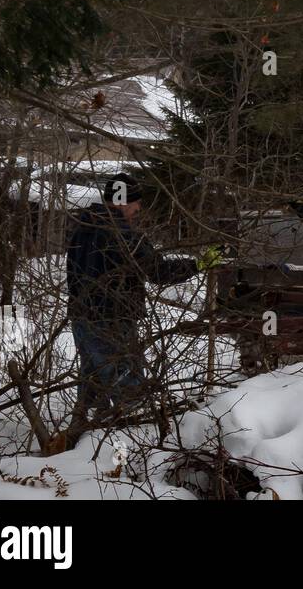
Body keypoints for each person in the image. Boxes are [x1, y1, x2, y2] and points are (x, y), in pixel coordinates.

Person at [65, 172, 202, 420]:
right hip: (111, 320)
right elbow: (158, 271)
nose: (139, 208)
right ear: (121, 200)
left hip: (81, 317)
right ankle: (131, 439)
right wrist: (199, 265)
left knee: (93, 381)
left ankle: (83, 433)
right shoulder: (123, 235)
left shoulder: (83, 227)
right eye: (136, 202)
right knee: (128, 388)